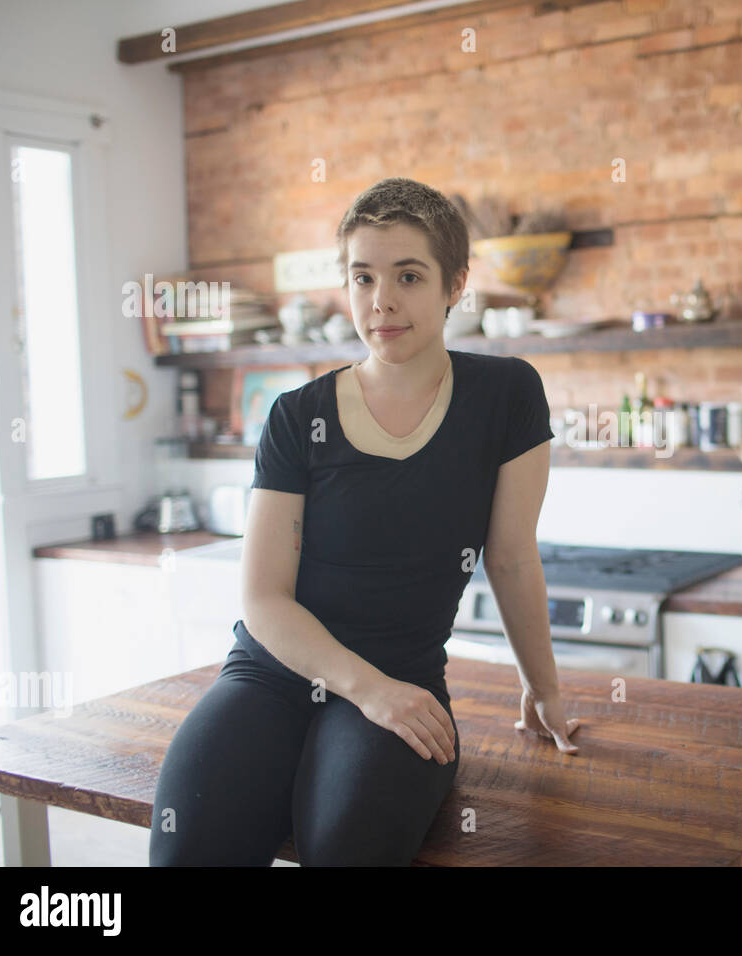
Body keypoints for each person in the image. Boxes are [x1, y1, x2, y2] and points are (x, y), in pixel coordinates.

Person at [150, 177, 580, 866]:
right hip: (272, 675)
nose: (381, 301)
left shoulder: (505, 395)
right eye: (363, 277)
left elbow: (510, 556)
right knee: (185, 848)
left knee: (345, 848)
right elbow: (263, 600)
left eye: (409, 275)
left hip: (405, 684)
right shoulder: (296, 417)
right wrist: (363, 688)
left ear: (454, 284)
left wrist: (545, 687)